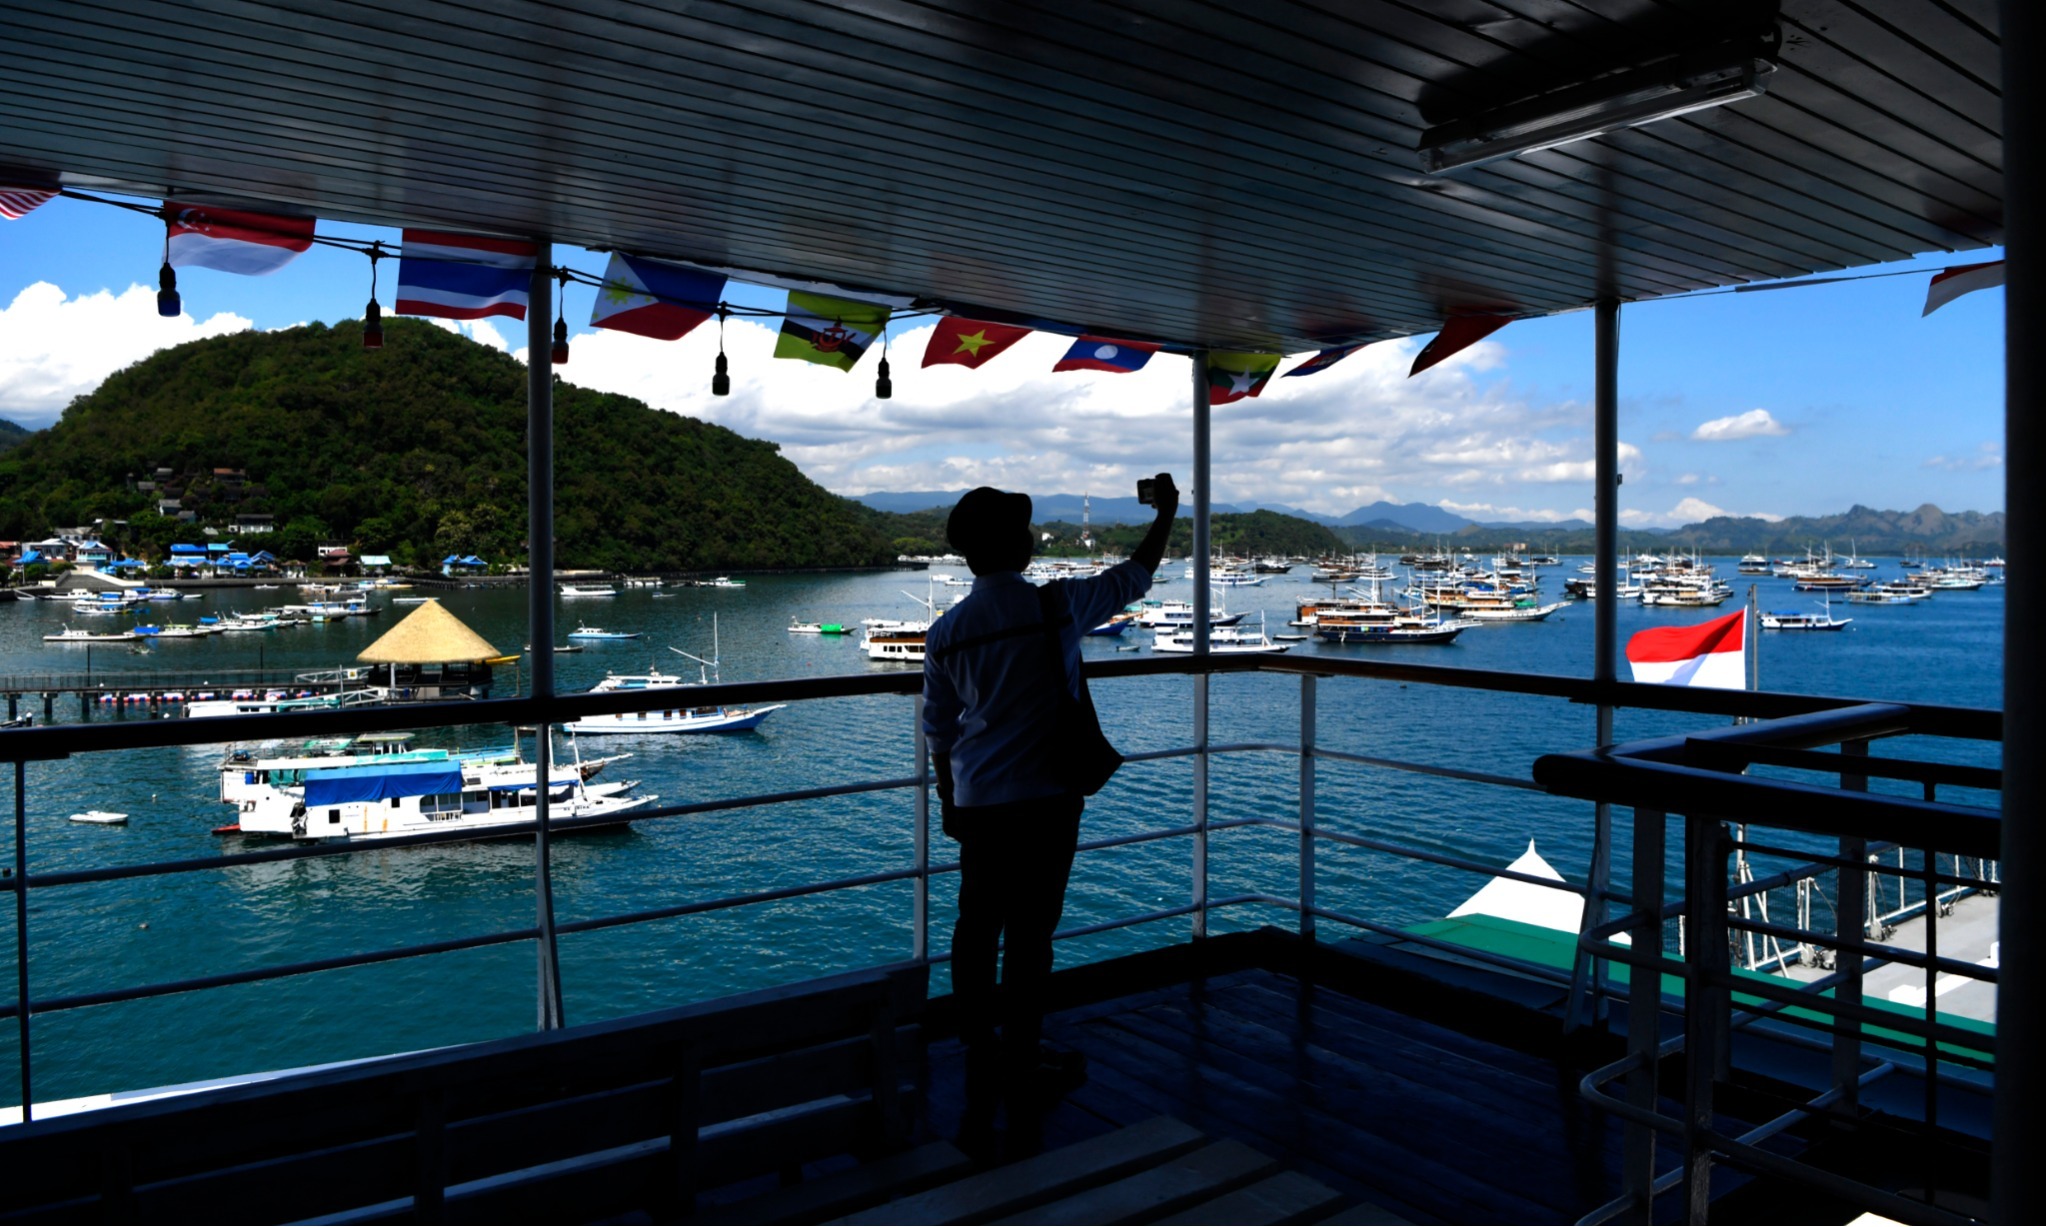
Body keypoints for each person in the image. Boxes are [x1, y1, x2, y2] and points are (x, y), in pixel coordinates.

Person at [921, 473, 1180, 1145]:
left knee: (976, 928)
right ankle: (1023, 1050)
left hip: (978, 801)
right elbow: (1136, 574)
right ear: (1022, 546)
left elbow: (939, 730)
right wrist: (1170, 512)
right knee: (1032, 935)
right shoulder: (1057, 607)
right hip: (1048, 799)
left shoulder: (946, 631)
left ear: (969, 555)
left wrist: (949, 798)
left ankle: (980, 1047)